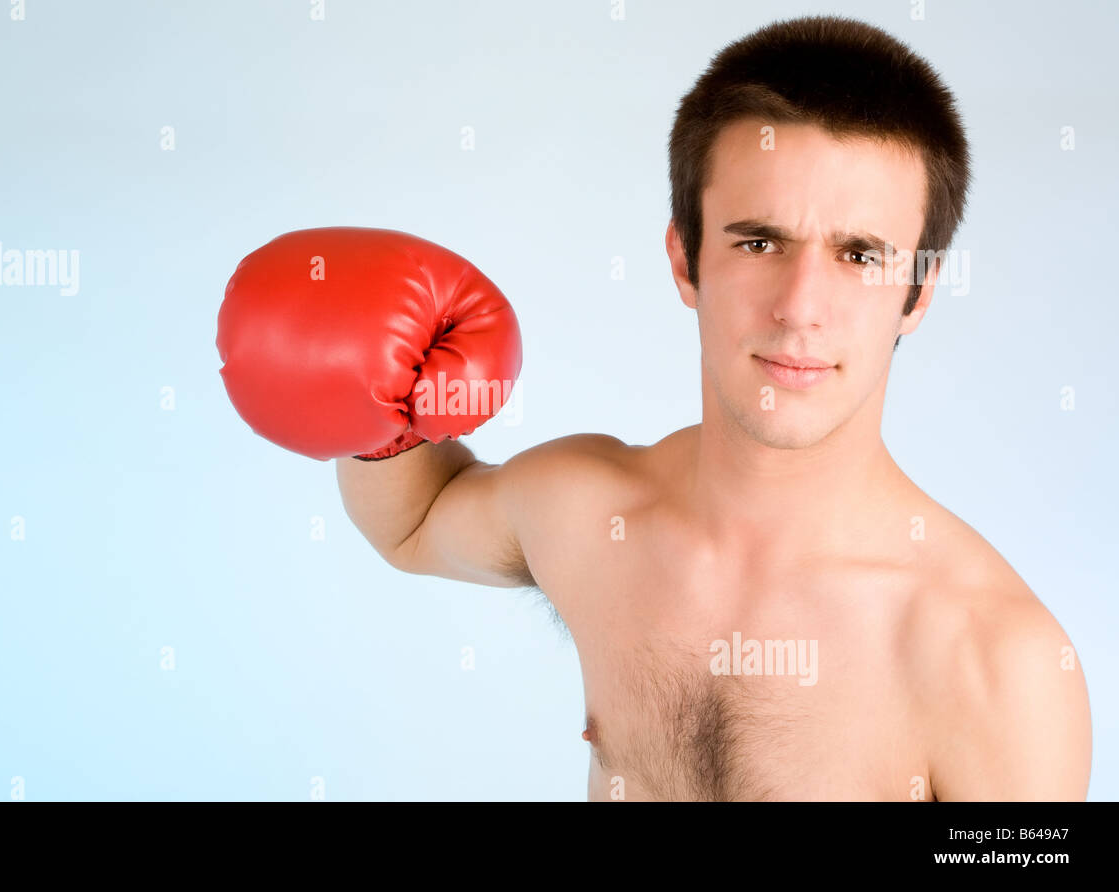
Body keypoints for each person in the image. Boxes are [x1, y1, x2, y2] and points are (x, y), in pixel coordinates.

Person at [217, 15, 1091, 800]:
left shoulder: (997, 667)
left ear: (919, 291)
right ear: (685, 260)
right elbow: (416, 523)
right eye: (759, 241)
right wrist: (378, 411)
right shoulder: (595, 515)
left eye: (860, 255)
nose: (799, 306)